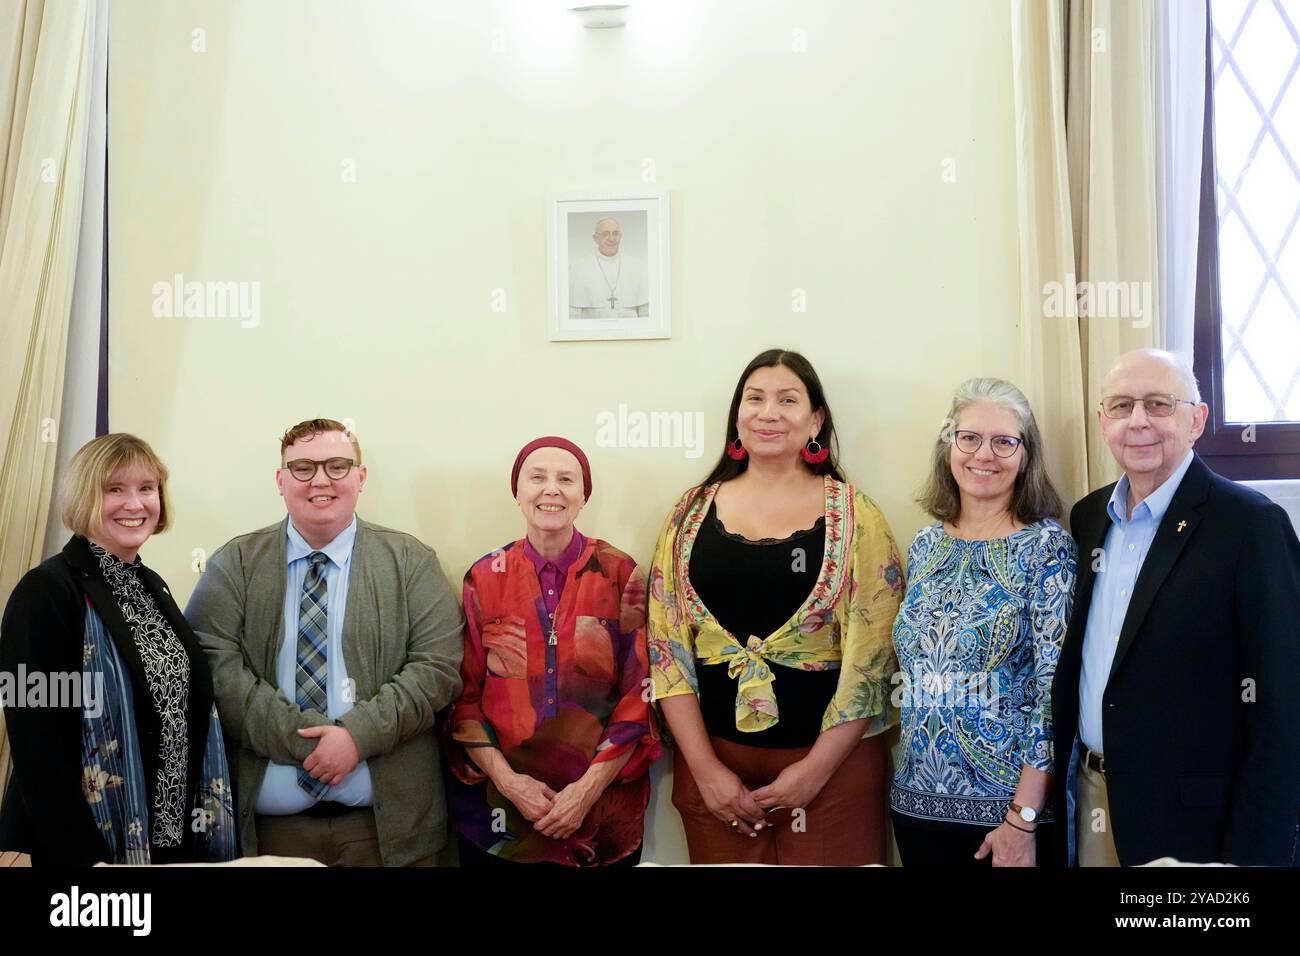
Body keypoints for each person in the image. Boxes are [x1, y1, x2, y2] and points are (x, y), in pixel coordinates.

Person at [648, 348, 903, 865]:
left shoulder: (857, 517)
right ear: (737, 416)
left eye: (788, 400)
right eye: (755, 399)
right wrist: (706, 770)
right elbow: (666, 650)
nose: (768, 413)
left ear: (815, 420)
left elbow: (872, 661)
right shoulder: (689, 512)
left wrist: (814, 772)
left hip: (834, 771)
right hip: (716, 769)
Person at [1049, 348, 1300, 866]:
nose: (1137, 421)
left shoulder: (1250, 525)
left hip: (1199, 827)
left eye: (1159, 404)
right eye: (1120, 406)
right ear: (1102, 422)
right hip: (1093, 798)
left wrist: (1252, 857)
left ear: (1197, 420)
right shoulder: (1088, 516)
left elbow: (1284, 706)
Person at [186, 419, 464, 866]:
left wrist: (357, 737)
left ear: (361, 476)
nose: (321, 480)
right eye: (302, 468)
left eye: (337, 466)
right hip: (268, 838)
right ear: (280, 480)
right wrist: (310, 744)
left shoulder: (412, 562)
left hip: (388, 834)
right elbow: (212, 666)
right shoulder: (234, 563)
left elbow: (437, 669)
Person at [0, 434, 235, 865]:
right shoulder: (46, 592)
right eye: (115, 489)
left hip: (171, 834)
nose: (135, 504)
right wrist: (83, 858)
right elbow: (36, 744)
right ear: (84, 497)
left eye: (147, 488)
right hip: (89, 844)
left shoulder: (151, 586)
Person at [446, 437, 659, 867]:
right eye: (537, 477)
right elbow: (464, 700)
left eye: (566, 479)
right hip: (499, 814)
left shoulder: (620, 573)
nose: (551, 489)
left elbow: (642, 696)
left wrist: (585, 791)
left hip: (599, 815)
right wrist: (511, 784)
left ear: (584, 495)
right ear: (517, 492)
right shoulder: (484, 577)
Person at [889, 378, 1076, 867]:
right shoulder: (926, 544)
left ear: (1025, 454)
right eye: (969, 437)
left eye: (1004, 441)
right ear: (948, 445)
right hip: (916, 804)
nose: (983, 455)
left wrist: (1022, 819)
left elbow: (1053, 696)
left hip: (1006, 821)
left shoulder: (1047, 550)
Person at [568, 216, 649, 319]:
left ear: (621, 236)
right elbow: (572, 314)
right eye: (605, 234)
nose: (611, 239)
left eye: (615, 233)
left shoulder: (637, 266)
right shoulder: (578, 268)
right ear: (595, 238)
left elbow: (645, 312)